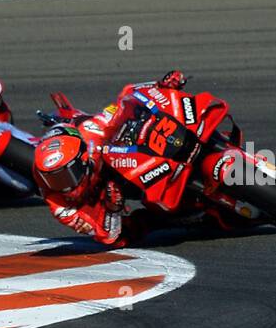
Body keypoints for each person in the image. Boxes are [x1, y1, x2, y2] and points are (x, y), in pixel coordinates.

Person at [32, 70, 189, 246]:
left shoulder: (90, 132)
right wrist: (112, 209)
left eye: (66, 175)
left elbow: (125, 98)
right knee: (121, 239)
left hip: (122, 159)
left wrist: (159, 87)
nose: (62, 185)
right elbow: (106, 235)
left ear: (82, 159)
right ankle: (170, 219)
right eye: (52, 179)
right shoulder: (60, 206)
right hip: (106, 198)